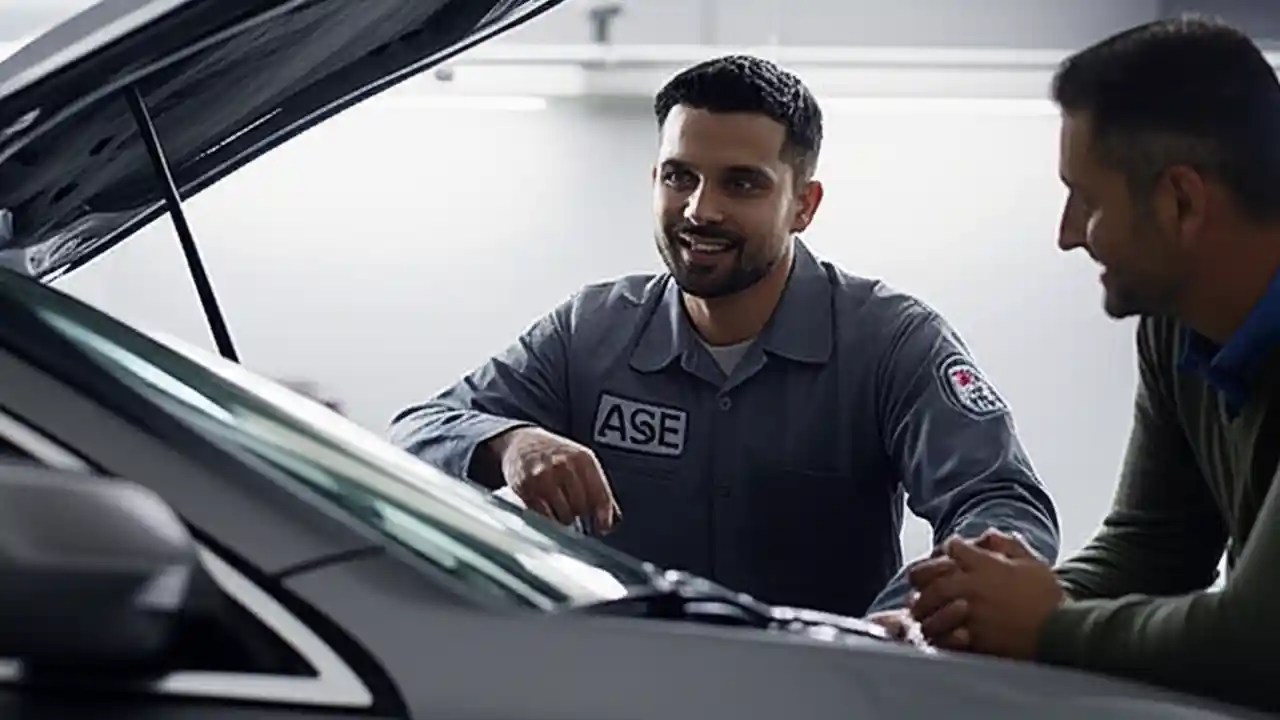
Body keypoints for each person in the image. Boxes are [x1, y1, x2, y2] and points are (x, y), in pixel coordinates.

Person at [390, 54, 1060, 620]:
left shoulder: (892, 342)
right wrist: (509, 442)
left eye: (741, 184)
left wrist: (906, 617)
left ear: (803, 205)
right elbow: (413, 435)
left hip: (824, 693)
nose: (700, 209)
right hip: (625, 687)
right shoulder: (587, 332)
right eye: (679, 176)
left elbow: (1002, 505)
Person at [907, 16, 1280, 713]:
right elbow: (1155, 546)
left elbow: (1260, 641)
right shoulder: (1179, 327)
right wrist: (973, 612)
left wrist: (1045, 625)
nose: (1068, 233)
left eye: (1087, 199)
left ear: (1181, 201)